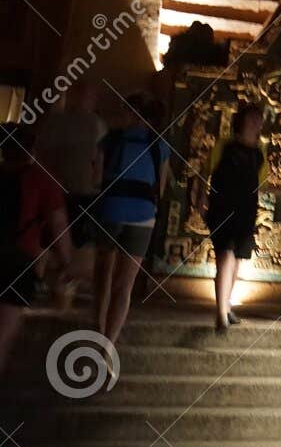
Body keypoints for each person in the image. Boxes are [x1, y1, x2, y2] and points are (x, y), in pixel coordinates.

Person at [93, 95, 171, 352]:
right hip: (143, 215)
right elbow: (160, 187)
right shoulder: (159, 145)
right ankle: (109, 342)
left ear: (134, 114)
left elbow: (97, 177)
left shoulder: (111, 140)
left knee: (103, 275)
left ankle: (98, 328)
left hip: (111, 210)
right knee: (124, 284)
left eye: (125, 111)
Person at [0, 125, 71, 375]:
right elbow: (58, 224)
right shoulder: (43, 181)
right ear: (32, 148)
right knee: (3, 335)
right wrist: (65, 262)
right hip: (18, 262)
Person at [203, 103, 265, 333]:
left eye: (259, 120)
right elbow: (205, 171)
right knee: (225, 257)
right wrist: (201, 199)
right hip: (223, 207)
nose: (256, 123)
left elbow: (261, 182)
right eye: (252, 119)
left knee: (237, 259)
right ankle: (220, 313)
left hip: (246, 210)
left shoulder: (259, 152)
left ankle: (226, 306)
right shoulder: (225, 146)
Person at [34, 81, 106, 251]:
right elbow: (99, 159)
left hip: (70, 188)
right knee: (71, 238)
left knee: (55, 237)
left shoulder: (57, 122)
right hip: (76, 189)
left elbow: (41, 154)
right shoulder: (94, 124)